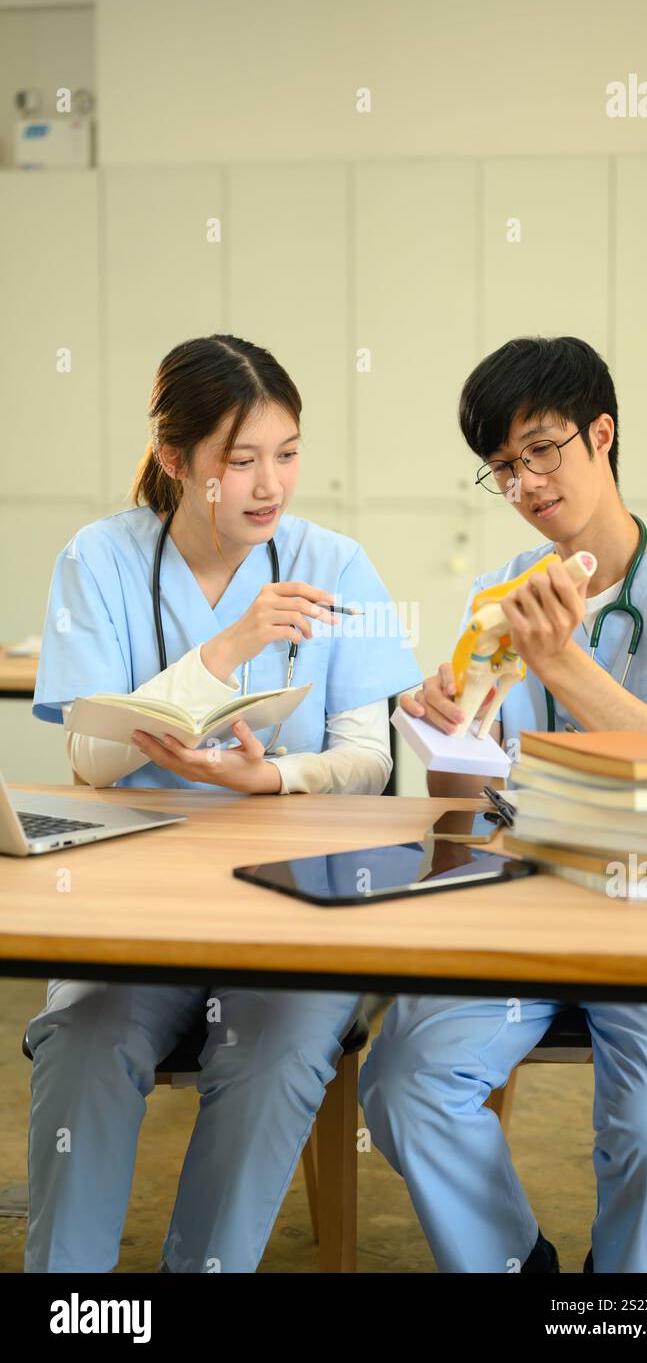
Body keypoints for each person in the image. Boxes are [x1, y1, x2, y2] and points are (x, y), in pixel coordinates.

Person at [26, 333, 421, 1273]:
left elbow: (367, 761)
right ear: (176, 460)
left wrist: (273, 778)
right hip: (138, 906)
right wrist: (225, 652)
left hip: (293, 901)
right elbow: (90, 762)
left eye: (286, 454)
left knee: (279, 1048)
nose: (268, 483)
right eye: (239, 460)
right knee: (84, 1041)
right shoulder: (102, 559)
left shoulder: (340, 565)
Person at [360, 335, 647, 1273]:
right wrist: (442, 729)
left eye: (540, 451)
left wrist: (563, 661)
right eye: (500, 466)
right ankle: (514, 1265)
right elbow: (465, 804)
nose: (523, 482)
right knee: (402, 1085)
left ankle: (612, 1294)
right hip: (522, 893)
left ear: (601, 434)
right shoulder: (502, 599)